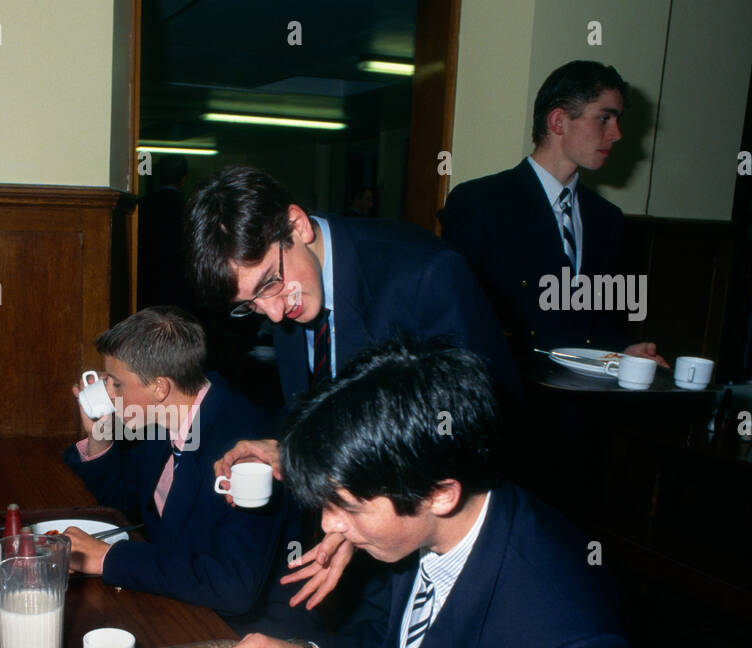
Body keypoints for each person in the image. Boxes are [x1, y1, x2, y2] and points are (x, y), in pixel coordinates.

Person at [218, 337, 650, 648]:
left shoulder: (567, 638)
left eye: (347, 506)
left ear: (441, 493)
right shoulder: (430, 524)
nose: (329, 526)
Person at [186, 165, 519, 613]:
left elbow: (479, 428)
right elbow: (318, 410)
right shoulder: (287, 291)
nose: (275, 314)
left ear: (297, 225)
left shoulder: (425, 274)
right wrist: (288, 450)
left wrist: (360, 516)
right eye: (250, 306)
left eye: (268, 283)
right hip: (360, 542)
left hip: (448, 543)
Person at [62, 307, 294, 621]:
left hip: (231, 629)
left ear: (160, 387)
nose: (108, 394)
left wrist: (108, 558)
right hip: (171, 600)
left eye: (116, 384)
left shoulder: (246, 449)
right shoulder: (163, 417)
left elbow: (233, 585)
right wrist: (99, 438)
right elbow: (121, 504)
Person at [441, 60, 665, 363]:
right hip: (505, 397)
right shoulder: (479, 203)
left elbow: (600, 322)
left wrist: (622, 354)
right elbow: (454, 319)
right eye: (604, 118)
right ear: (559, 121)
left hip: (580, 401)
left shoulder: (608, 219)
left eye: (617, 120)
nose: (617, 134)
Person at [137, 155, 192, 309]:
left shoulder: (142, 206)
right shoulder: (187, 209)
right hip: (177, 284)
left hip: (146, 283)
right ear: (184, 179)